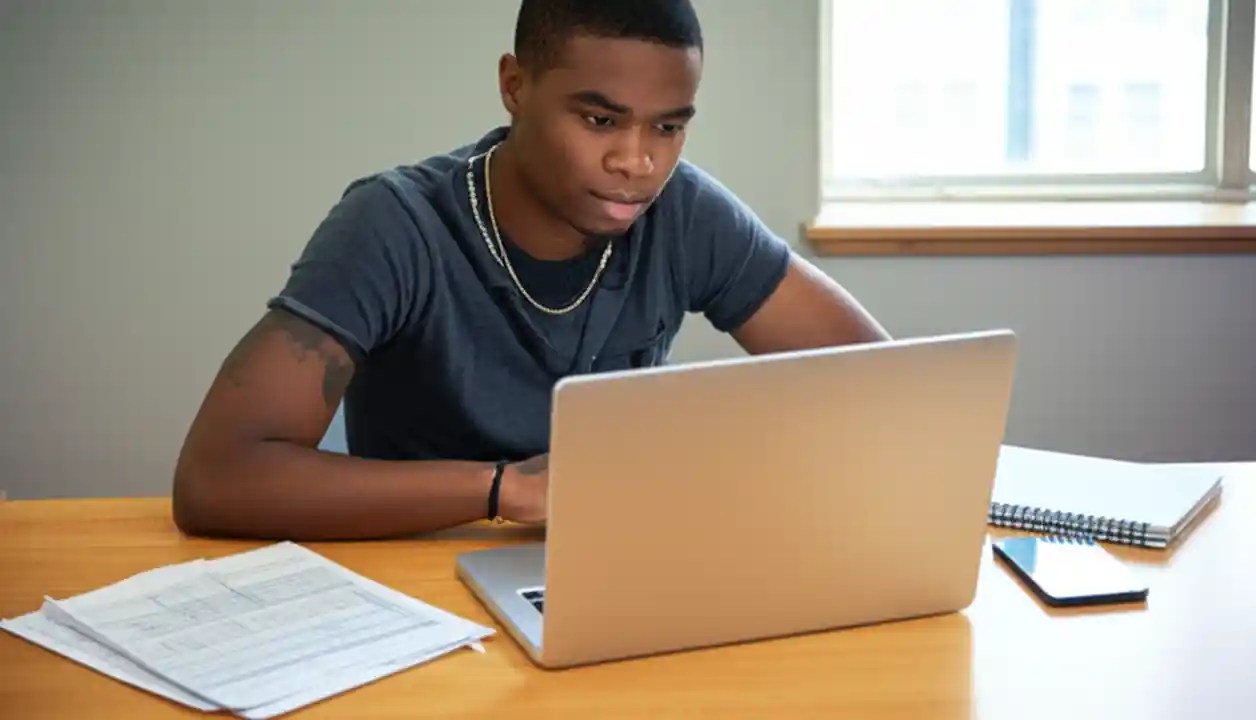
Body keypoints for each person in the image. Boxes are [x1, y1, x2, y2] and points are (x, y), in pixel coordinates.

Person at [172, 0, 890, 540]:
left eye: (668, 126)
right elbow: (217, 477)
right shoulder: (393, 224)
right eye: (600, 121)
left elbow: (884, 395)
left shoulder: (683, 211)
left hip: (609, 566)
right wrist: (502, 491)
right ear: (515, 86)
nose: (636, 162)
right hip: (415, 576)